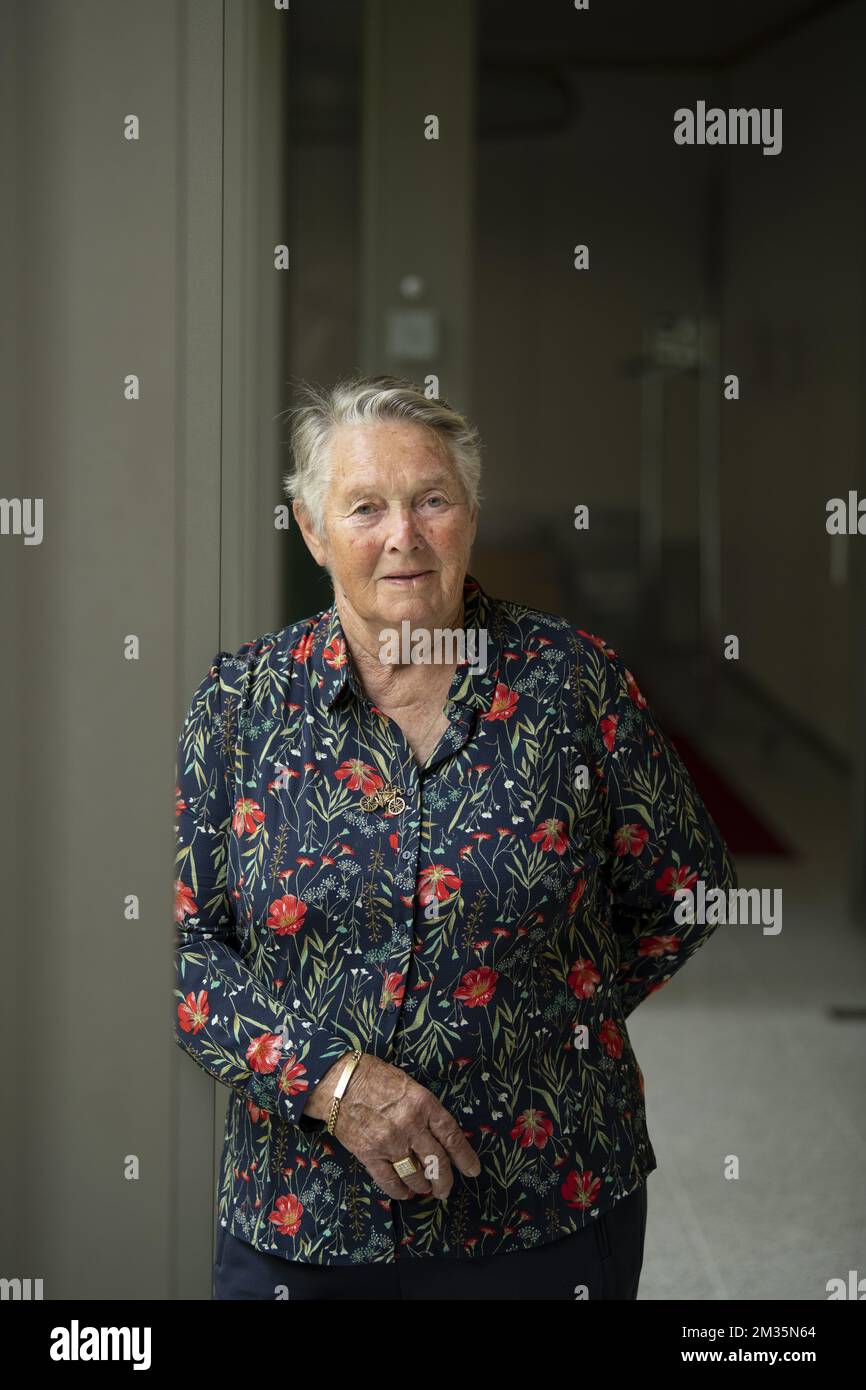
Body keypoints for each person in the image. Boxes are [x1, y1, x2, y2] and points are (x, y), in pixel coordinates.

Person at [173, 374, 737, 1300]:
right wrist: (334, 1084)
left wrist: (547, 1020)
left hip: (546, 1199)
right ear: (313, 532)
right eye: (365, 507)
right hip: (305, 1215)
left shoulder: (573, 683)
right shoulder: (238, 705)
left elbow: (686, 891)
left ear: (470, 517)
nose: (404, 535)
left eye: (432, 499)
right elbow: (182, 948)